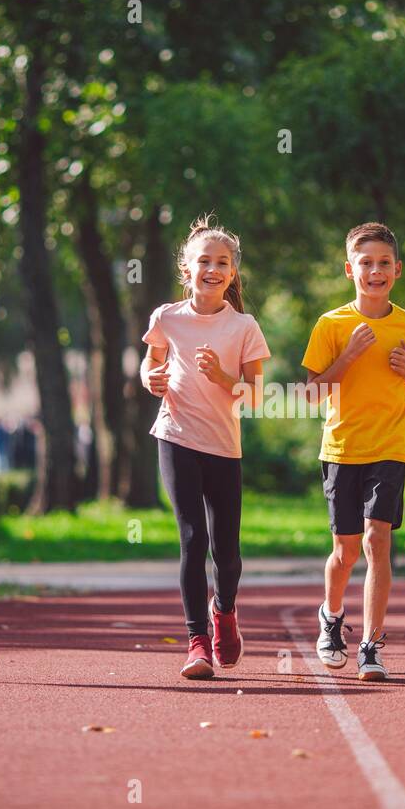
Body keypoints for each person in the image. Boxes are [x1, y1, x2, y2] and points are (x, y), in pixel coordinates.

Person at [139, 215, 272, 679]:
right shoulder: (167, 318)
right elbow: (150, 361)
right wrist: (148, 378)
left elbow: (256, 393)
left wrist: (222, 377)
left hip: (223, 445)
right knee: (192, 540)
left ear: (232, 273)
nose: (212, 269)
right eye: (203, 261)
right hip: (175, 435)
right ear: (187, 269)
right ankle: (197, 642)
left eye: (222, 262)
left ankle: (226, 612)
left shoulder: (244, 327)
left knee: (226, 551)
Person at [301, 222, 405, 681]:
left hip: (390, 446)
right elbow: (310, 394)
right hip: (341, 447)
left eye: (383, 263)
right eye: (365, 263)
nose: (374, 271)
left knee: (379, 539)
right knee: (346, 550)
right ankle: (331, 616)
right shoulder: (331, 325)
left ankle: (372, 645)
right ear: (349, 269)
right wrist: (347, 358)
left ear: (397, 270)